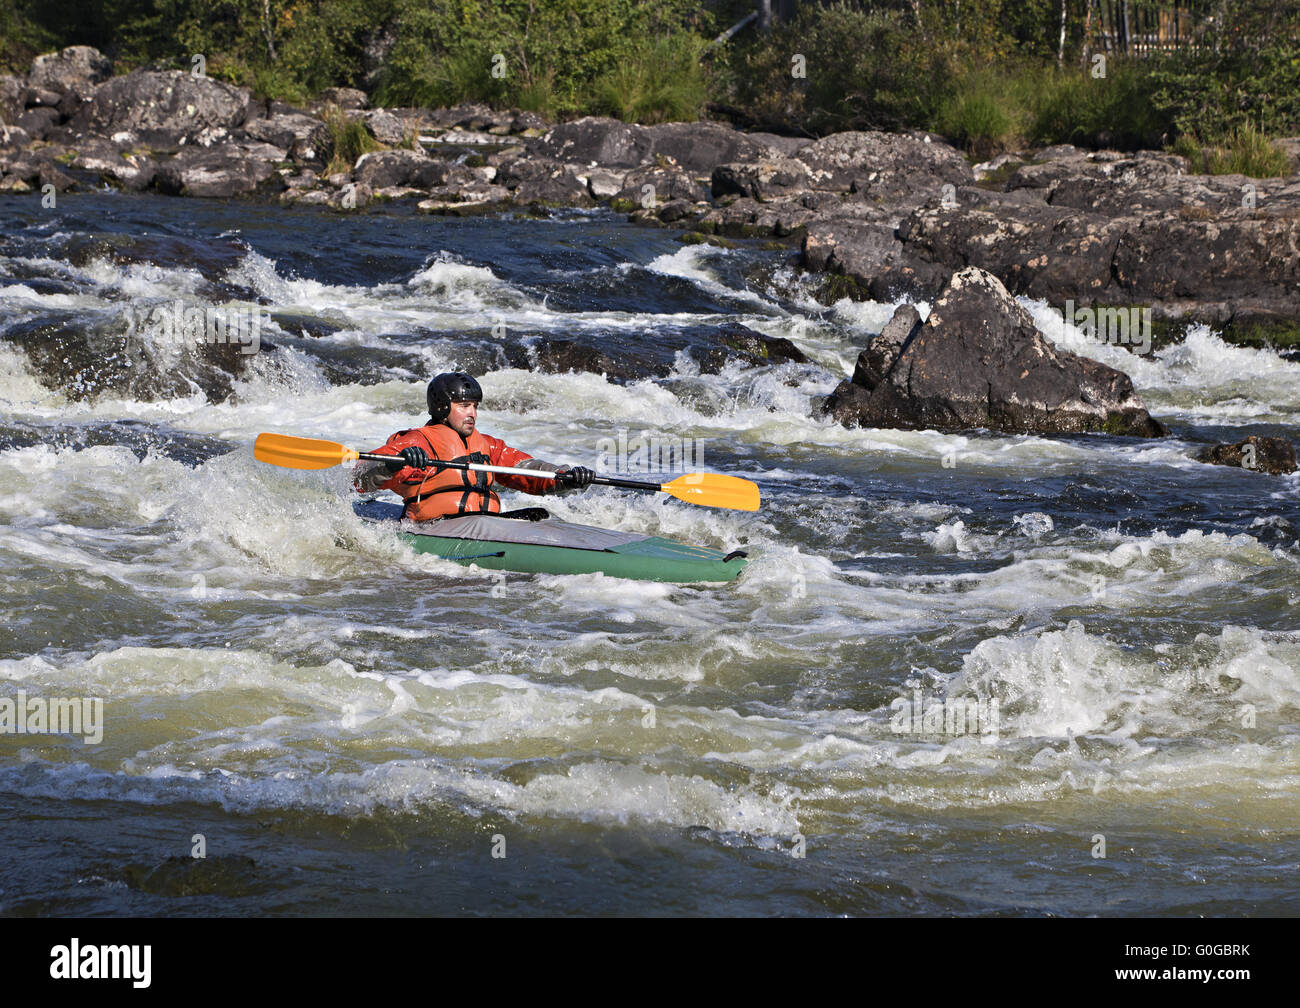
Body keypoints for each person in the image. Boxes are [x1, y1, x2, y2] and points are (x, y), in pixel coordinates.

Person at [353, 372, 594, 521]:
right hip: (435, 528)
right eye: (464, 406)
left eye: (475, 406)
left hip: (485, 524)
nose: (472, 414)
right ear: (442, 408)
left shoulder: (487, 444)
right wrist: (391, 465)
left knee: (540, 515)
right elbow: (360, 478)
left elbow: (526, 469)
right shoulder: (417, 441)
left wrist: (565, 477)